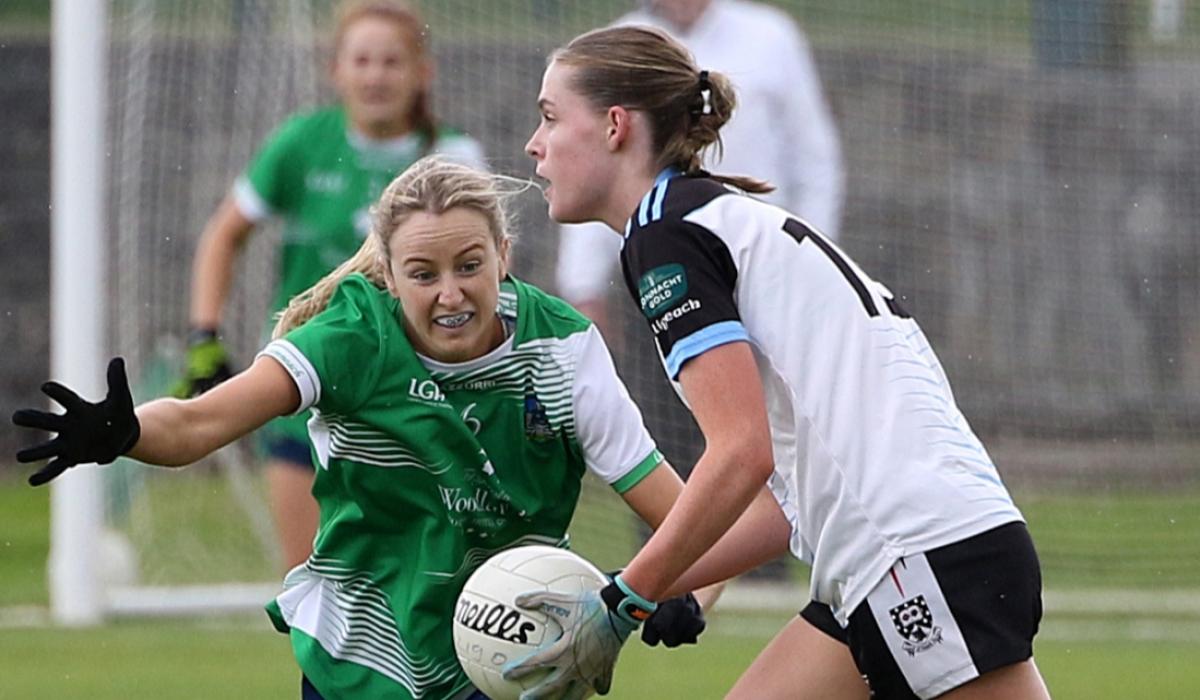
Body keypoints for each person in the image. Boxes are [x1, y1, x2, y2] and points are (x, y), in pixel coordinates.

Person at [13, 157, 707, 700]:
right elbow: (200, 422)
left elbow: (689, 517)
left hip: (513, 655)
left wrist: (689, 596)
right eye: (422, 273)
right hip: (360, 655)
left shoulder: (562, 352)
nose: (450, 293)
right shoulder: (350, 338)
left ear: (505, 254)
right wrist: (126, 432)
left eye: (470, 265)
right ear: (389, 275)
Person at [512, 26, 1050, 699]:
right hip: (911, 553)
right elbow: (784, 496)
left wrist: (626, 596)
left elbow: (742, 453)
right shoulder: (709, 219)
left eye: (550, 116)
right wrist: (674, 583)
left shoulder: (664, 238)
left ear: (615, 125)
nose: (535, 143)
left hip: (911, 556)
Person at [174, 0, 487, 572]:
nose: (375, 75)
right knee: (311, 587)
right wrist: (205, 334)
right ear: (336, 70)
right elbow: (224, 235)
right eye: (361, 60)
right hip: (305, 385)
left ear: (423, 72)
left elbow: (486, 278)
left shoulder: (454, 158)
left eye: (392, 61)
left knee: (416, 585)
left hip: (412, 397)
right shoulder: (300, 144)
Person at [554, 0, 844, 331]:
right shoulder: (618, 45)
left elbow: (815, 161)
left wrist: (811, 261)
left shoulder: (771, 37)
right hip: (660, 272)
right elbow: (596, 167)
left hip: (768, 270)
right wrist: (584, 285)